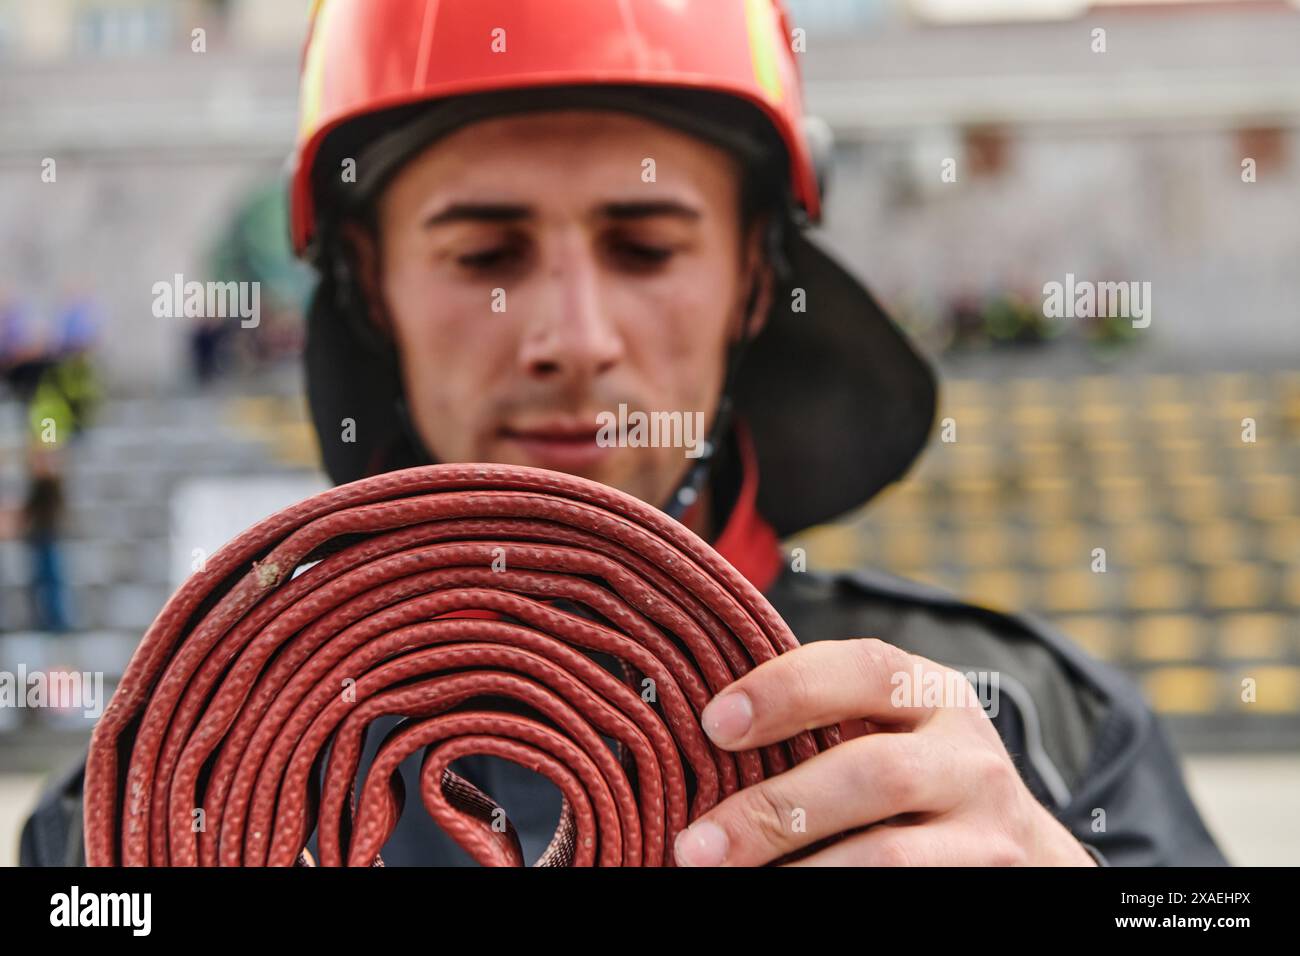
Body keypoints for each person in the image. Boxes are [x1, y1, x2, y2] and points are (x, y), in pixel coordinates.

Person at [22, 0, 1225, 867]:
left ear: (756, 282)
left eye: (645, 246)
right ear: (367, 286)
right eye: (484, 253)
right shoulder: (150, 802)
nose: (570, 334)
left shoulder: (1035, 728)